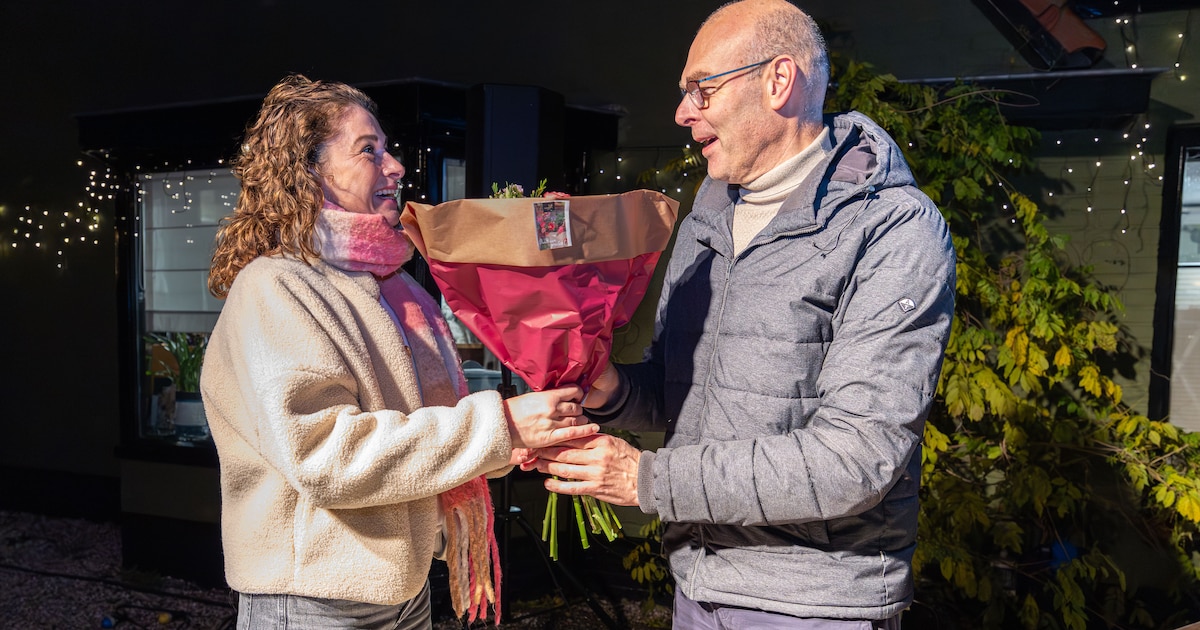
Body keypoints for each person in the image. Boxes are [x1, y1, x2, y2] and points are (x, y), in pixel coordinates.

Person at [526, 1, 956, 627]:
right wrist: (608, 387)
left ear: (778, 81)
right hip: (696, 586)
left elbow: (858, 457)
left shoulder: (891, 227)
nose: (681, 113)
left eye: (701, 88)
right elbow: (686, 396)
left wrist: (645, 478)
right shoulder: (707, 216)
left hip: (812, 602)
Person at [201, 74, 597, 630]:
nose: (396, 167)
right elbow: (324, 455)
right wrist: (500, 427)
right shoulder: (276, 287)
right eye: (369, 151)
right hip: (316, 600)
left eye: (388, 149)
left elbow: (419, 425)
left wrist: (515, 438)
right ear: (309, 171)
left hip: (402, 588)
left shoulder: (395, 286)